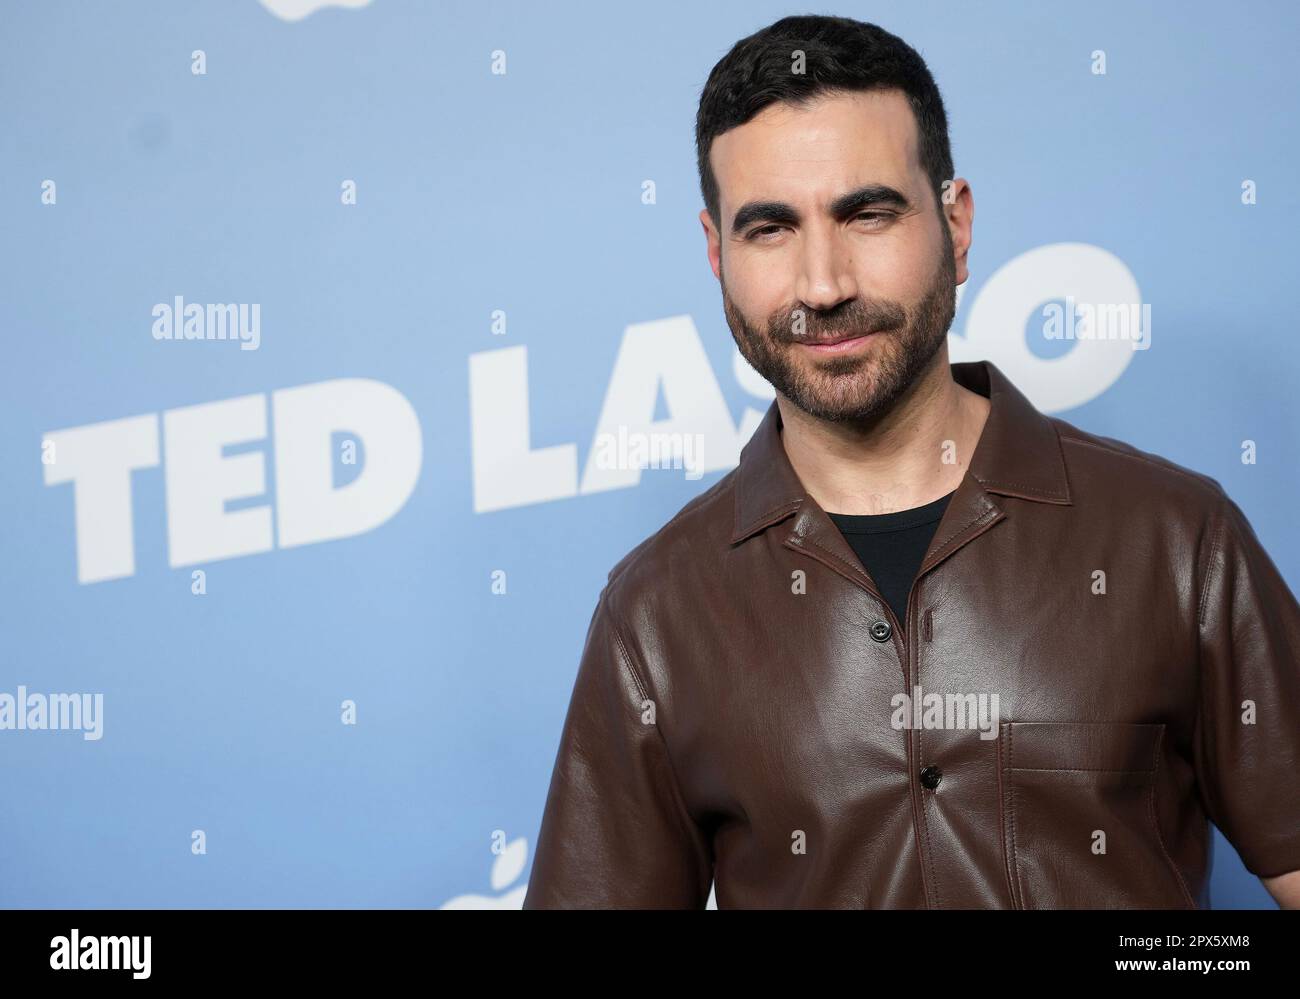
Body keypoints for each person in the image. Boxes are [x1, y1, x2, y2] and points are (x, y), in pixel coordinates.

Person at [522, 14, 1300, 908]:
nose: (824, 284)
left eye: (868, 212)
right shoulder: (653, 612)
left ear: (956, 224)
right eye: (770, 228)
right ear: (716, 254)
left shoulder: (1176, 538)